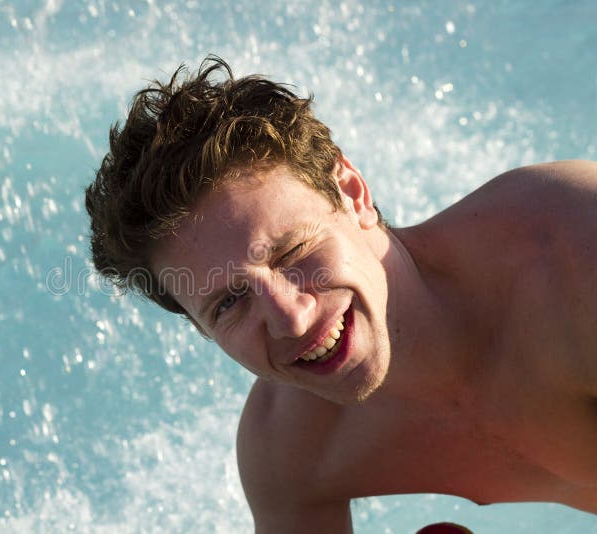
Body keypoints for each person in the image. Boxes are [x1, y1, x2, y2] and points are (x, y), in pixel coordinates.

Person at [85, 56, 597, 532]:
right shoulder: (288, 453)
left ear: (352, 193)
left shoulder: (574, 254)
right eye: (228, 303)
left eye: (291, 253)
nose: (291, 319)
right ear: (201, 329)